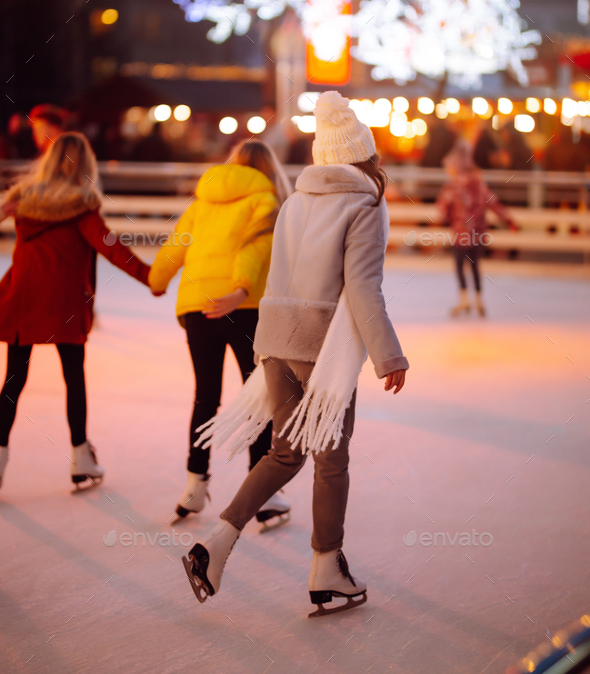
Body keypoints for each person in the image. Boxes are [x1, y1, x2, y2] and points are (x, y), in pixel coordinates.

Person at [181, 91, 409, 618]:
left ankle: (215, 545)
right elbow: (363, 288)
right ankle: (327, 567)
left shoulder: (295, 201)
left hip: (274, 342)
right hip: (321, 349)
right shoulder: (364, 204)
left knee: (285, 454)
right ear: (364, 154)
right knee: (331, 462)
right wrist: (388, 354)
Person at [148, 140, 292, 525]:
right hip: (245, 308)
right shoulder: (266, 200)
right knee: (257, 397)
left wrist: (158, 279)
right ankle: (262, 495)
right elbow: (254, 248)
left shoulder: (202, 203)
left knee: (206, 396)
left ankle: (194, 486)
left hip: (198, 308)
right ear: (268, 168)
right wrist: (241, 289)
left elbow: (176, 245)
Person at [0, 133, 151, 490]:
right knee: (73, 378)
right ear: (85, 164)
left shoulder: (23, 200)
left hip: (23, 298)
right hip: (64, 305)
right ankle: (81, 458)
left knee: (13, 381)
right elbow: (111, 247)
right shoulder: (81, 207)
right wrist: (149, 276)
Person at [437, 140, 516, 318]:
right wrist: (509, 220)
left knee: (459, 265)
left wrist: (446, 218)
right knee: (475, 266)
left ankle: (464, 299)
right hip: (478, 233)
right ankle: (479, 299)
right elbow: (493, 203)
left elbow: (443, 208)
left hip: (461, 233)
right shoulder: (479, 184)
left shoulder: (453, 185)